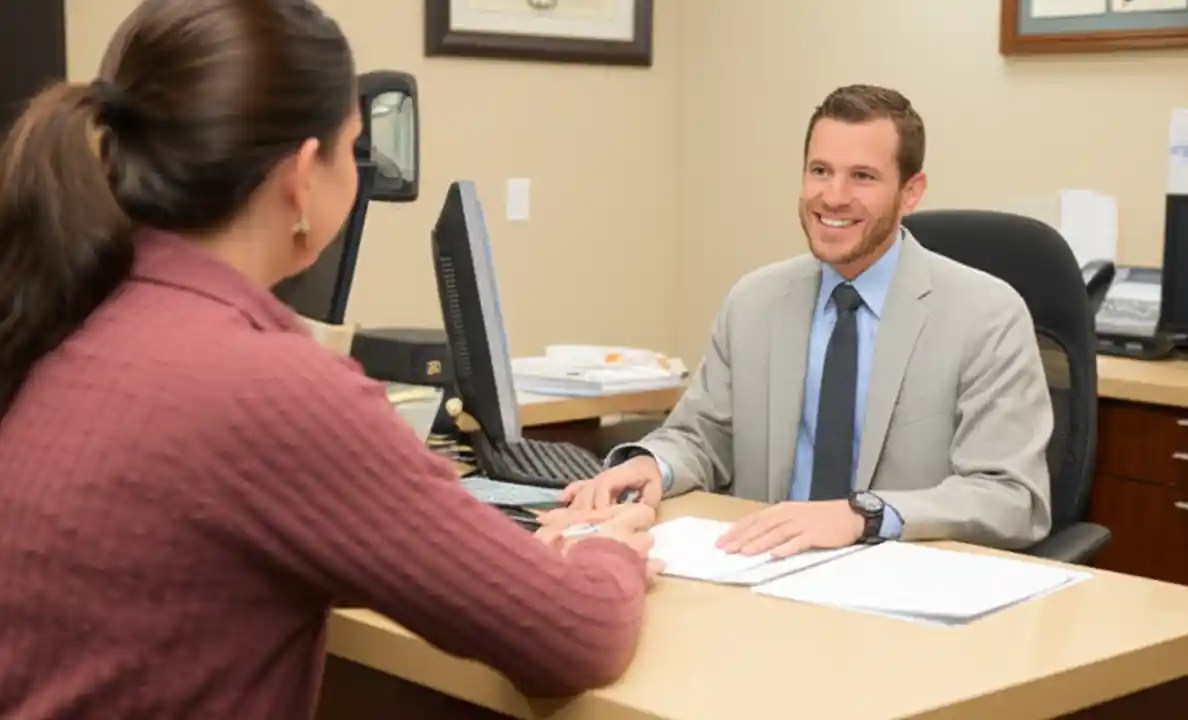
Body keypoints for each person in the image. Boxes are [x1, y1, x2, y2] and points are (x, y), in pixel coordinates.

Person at [0, 1, 659, 717]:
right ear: (304, 175)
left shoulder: (70, 320)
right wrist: (606, 551)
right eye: (355, 148)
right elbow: (577, 637)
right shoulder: (265, 383)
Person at [560, 84, 1054, 557]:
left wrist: (864, 516)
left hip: (903, 586)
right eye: (820, 171)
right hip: (763, 569)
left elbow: (1011, 497)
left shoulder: (987, 315)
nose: (833, 197)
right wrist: (654, 465)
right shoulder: (755, 302)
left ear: (911, 192)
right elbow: (703, 435)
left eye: (863, 176)